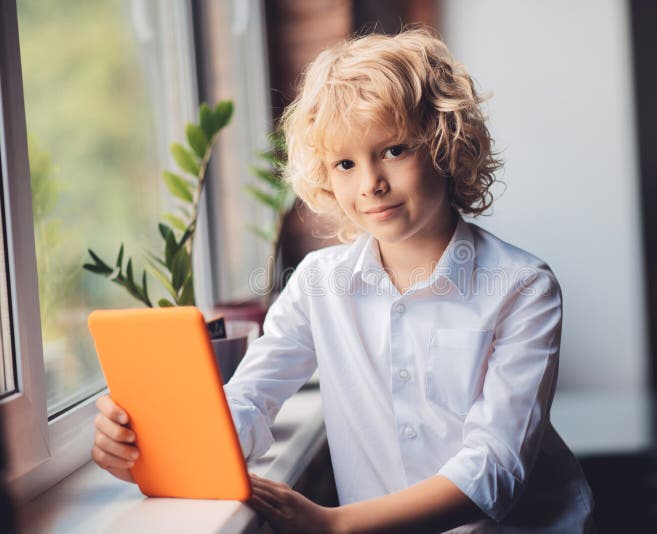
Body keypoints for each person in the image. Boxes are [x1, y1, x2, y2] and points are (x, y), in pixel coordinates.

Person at [92, 27, 596, 533]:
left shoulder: (523, 288)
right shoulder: (317, 284)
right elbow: (248, 400)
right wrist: (148, 442)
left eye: (394, 150)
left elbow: (495, 468)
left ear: (446, 146)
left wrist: (337, 525)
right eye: (345, 163)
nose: (371, 183)